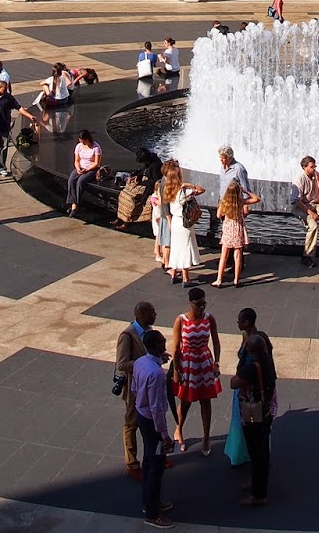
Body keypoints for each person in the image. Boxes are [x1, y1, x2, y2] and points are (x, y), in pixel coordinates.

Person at [131, 327, 176, 529]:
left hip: (141, 416)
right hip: (152, 423)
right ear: (157, 346)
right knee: (156, 466)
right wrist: (165, 435)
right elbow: (157, 408)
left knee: (149, 461)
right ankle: (152, 512)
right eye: (161, 341)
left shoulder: (141, 362)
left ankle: (148, 502)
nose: (164, 342)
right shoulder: (156, 374)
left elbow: (134, 388)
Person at [231, 307, 277, 507]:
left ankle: (259, 493)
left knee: (256, 451)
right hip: (266, 409)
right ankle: (258, 485)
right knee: (262, 451)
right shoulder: (266, 362)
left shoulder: (251, 368)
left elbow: (234, 382)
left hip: (254, 411)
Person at [172, 287, 222, 456]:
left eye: (204, 304)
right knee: (185, 400)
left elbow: (216, 341)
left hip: (204, 360)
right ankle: (179, 429)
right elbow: (176, 347)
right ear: (190, 303)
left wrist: (216, 363)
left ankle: (206, 436)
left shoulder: (209, 318)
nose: (202, 308)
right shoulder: (181, 320)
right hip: (188, 362)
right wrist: (176, 370)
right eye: (198, 305)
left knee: (205, 400)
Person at [115, 301, 156, 480]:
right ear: (141, 315)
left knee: (154, 419)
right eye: (151, 313)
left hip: (149, 385)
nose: (155, 315)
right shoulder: (128, 335)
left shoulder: (148, 331)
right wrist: (145, 362)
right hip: (134, 387)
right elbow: (122, 363)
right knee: (132, 423)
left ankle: (155, 457)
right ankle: (132, 463)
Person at [291, 155, 319, 266]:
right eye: (312, 167)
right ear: (304, 167)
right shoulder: (299, 179)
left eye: (315, 166)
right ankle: (308, 255)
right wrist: (310, 213)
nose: (314, 169)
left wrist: (318, 178)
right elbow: (296, 201)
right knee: (313, 226)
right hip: (300, 206)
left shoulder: (315, 176)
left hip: (315, 203)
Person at [215, 179, 258, 288]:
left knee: (224, 255)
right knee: (238, 255)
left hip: (228, 228)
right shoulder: (241, 201)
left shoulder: (224, 201)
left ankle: (219, 279)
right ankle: (236, 280)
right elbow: (257, 199)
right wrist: (246, 191)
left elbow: (218, 215)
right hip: (238, 227)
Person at [165, 171, 206, 286]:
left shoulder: (169, 191)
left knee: (176, 248)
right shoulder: (183, 191)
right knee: (185, 249)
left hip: (175, 221)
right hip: (184, 222)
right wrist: (190, 185)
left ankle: (174, 275)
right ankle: (185, 278)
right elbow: (202, 190)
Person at [116, 148, 161, 229]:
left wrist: (140, 183)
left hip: (149, 186)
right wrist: (137, 176)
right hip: (144, 181)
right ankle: (120, 217)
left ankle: (127, 221)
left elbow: (154, 181)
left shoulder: (155, 165)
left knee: (129, 198)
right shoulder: (150, 160)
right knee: (123, 193)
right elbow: (144, 170)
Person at [66, 131, 102, 217]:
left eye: (84, 141)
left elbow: (96, 163)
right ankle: (73, 204)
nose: (82, 143)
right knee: (71, 180)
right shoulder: (79, 146)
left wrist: (87, 169)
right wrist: (78, 168)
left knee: (80, 181)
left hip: (91, 168)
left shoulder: (96, 147)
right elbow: (77, 160)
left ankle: (76, 205)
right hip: (81, 167)